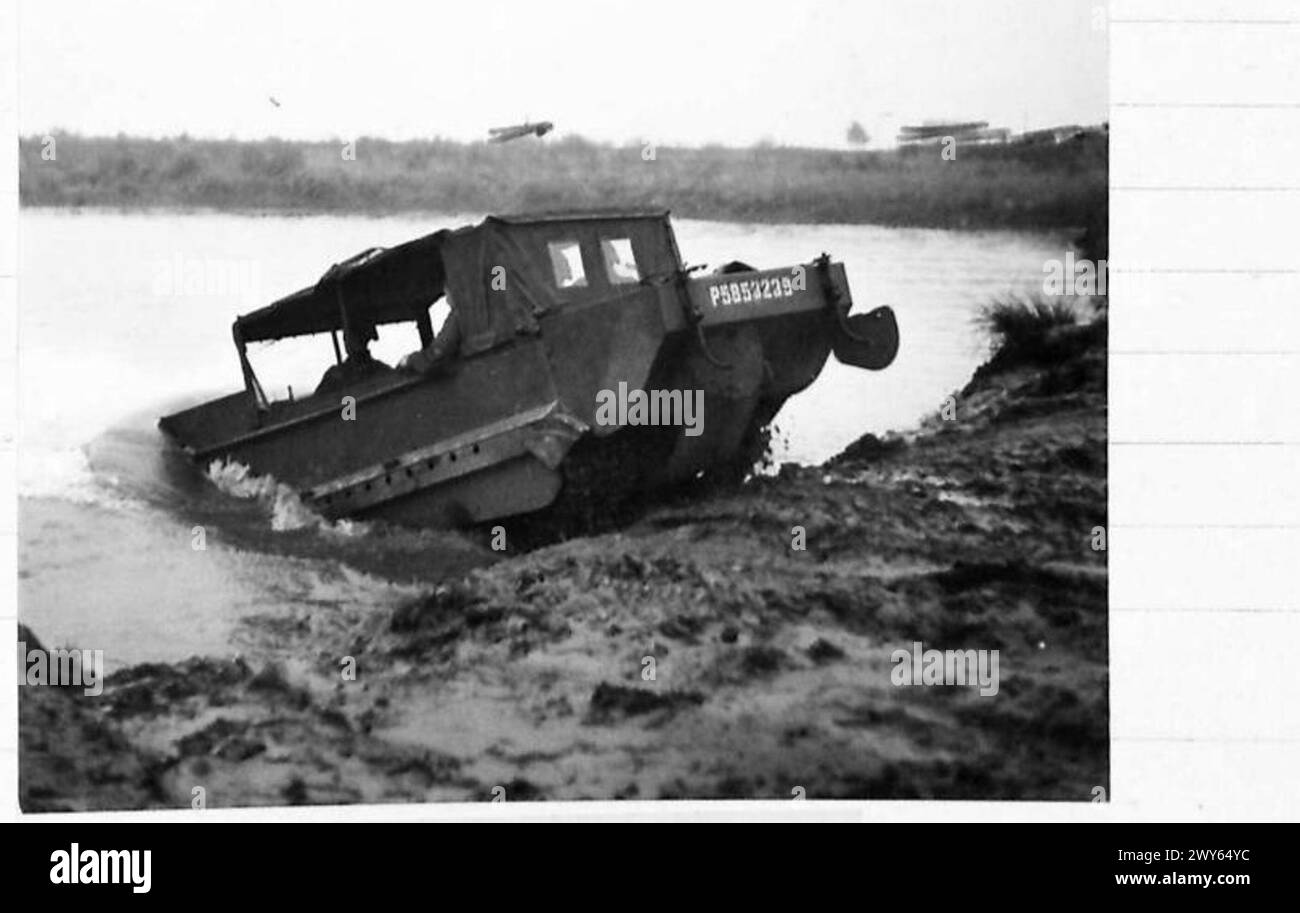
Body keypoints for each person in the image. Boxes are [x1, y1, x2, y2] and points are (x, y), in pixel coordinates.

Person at [315, 321, 391, 393]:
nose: (346, 341)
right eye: (345, 337)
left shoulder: (381, 371)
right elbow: (317, 402)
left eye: (354, 336)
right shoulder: (334, 375)